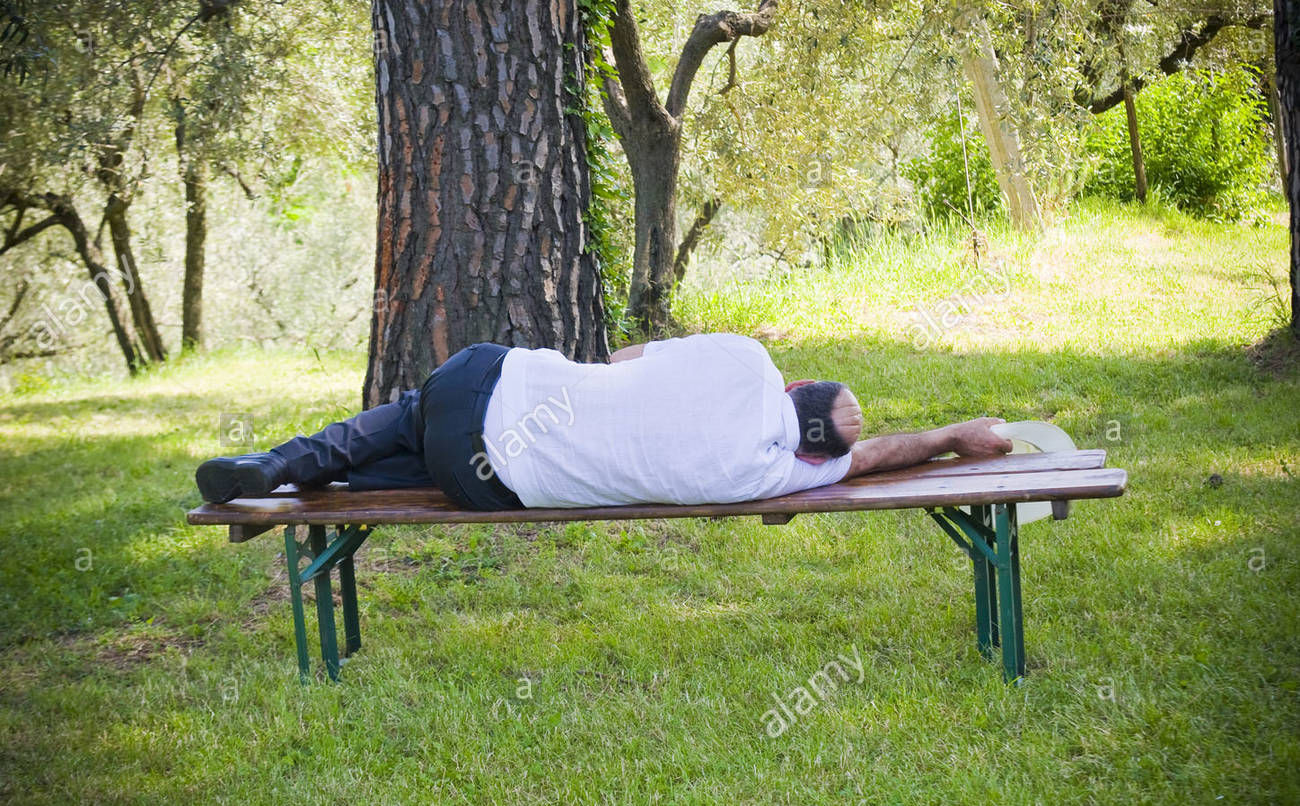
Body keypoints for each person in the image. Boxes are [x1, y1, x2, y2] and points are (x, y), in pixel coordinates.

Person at [195, 333, 1012, 509]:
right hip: (495, 482)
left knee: (413, 413)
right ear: (812, 449)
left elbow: (624, 360)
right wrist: (948, 437)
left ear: (793, 384)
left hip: (488, 384)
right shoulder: (773, 473)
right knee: (434, 462)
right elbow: (870, 458)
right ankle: (318, 476)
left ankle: (282, 463)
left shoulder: (744, 357)